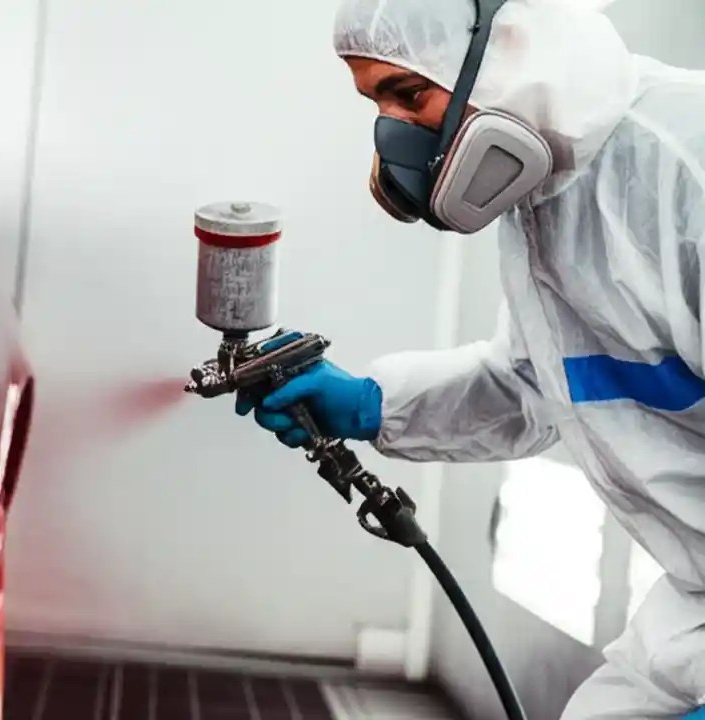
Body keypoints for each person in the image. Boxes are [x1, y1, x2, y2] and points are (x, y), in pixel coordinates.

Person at [235, 0, 705, 717]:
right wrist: (370, 403)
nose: (394, 131)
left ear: (507, 46)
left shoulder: (683, 162)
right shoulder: (545, 201)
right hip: (689, 612)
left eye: (407, 94)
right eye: (377, 104)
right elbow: (536, 389)